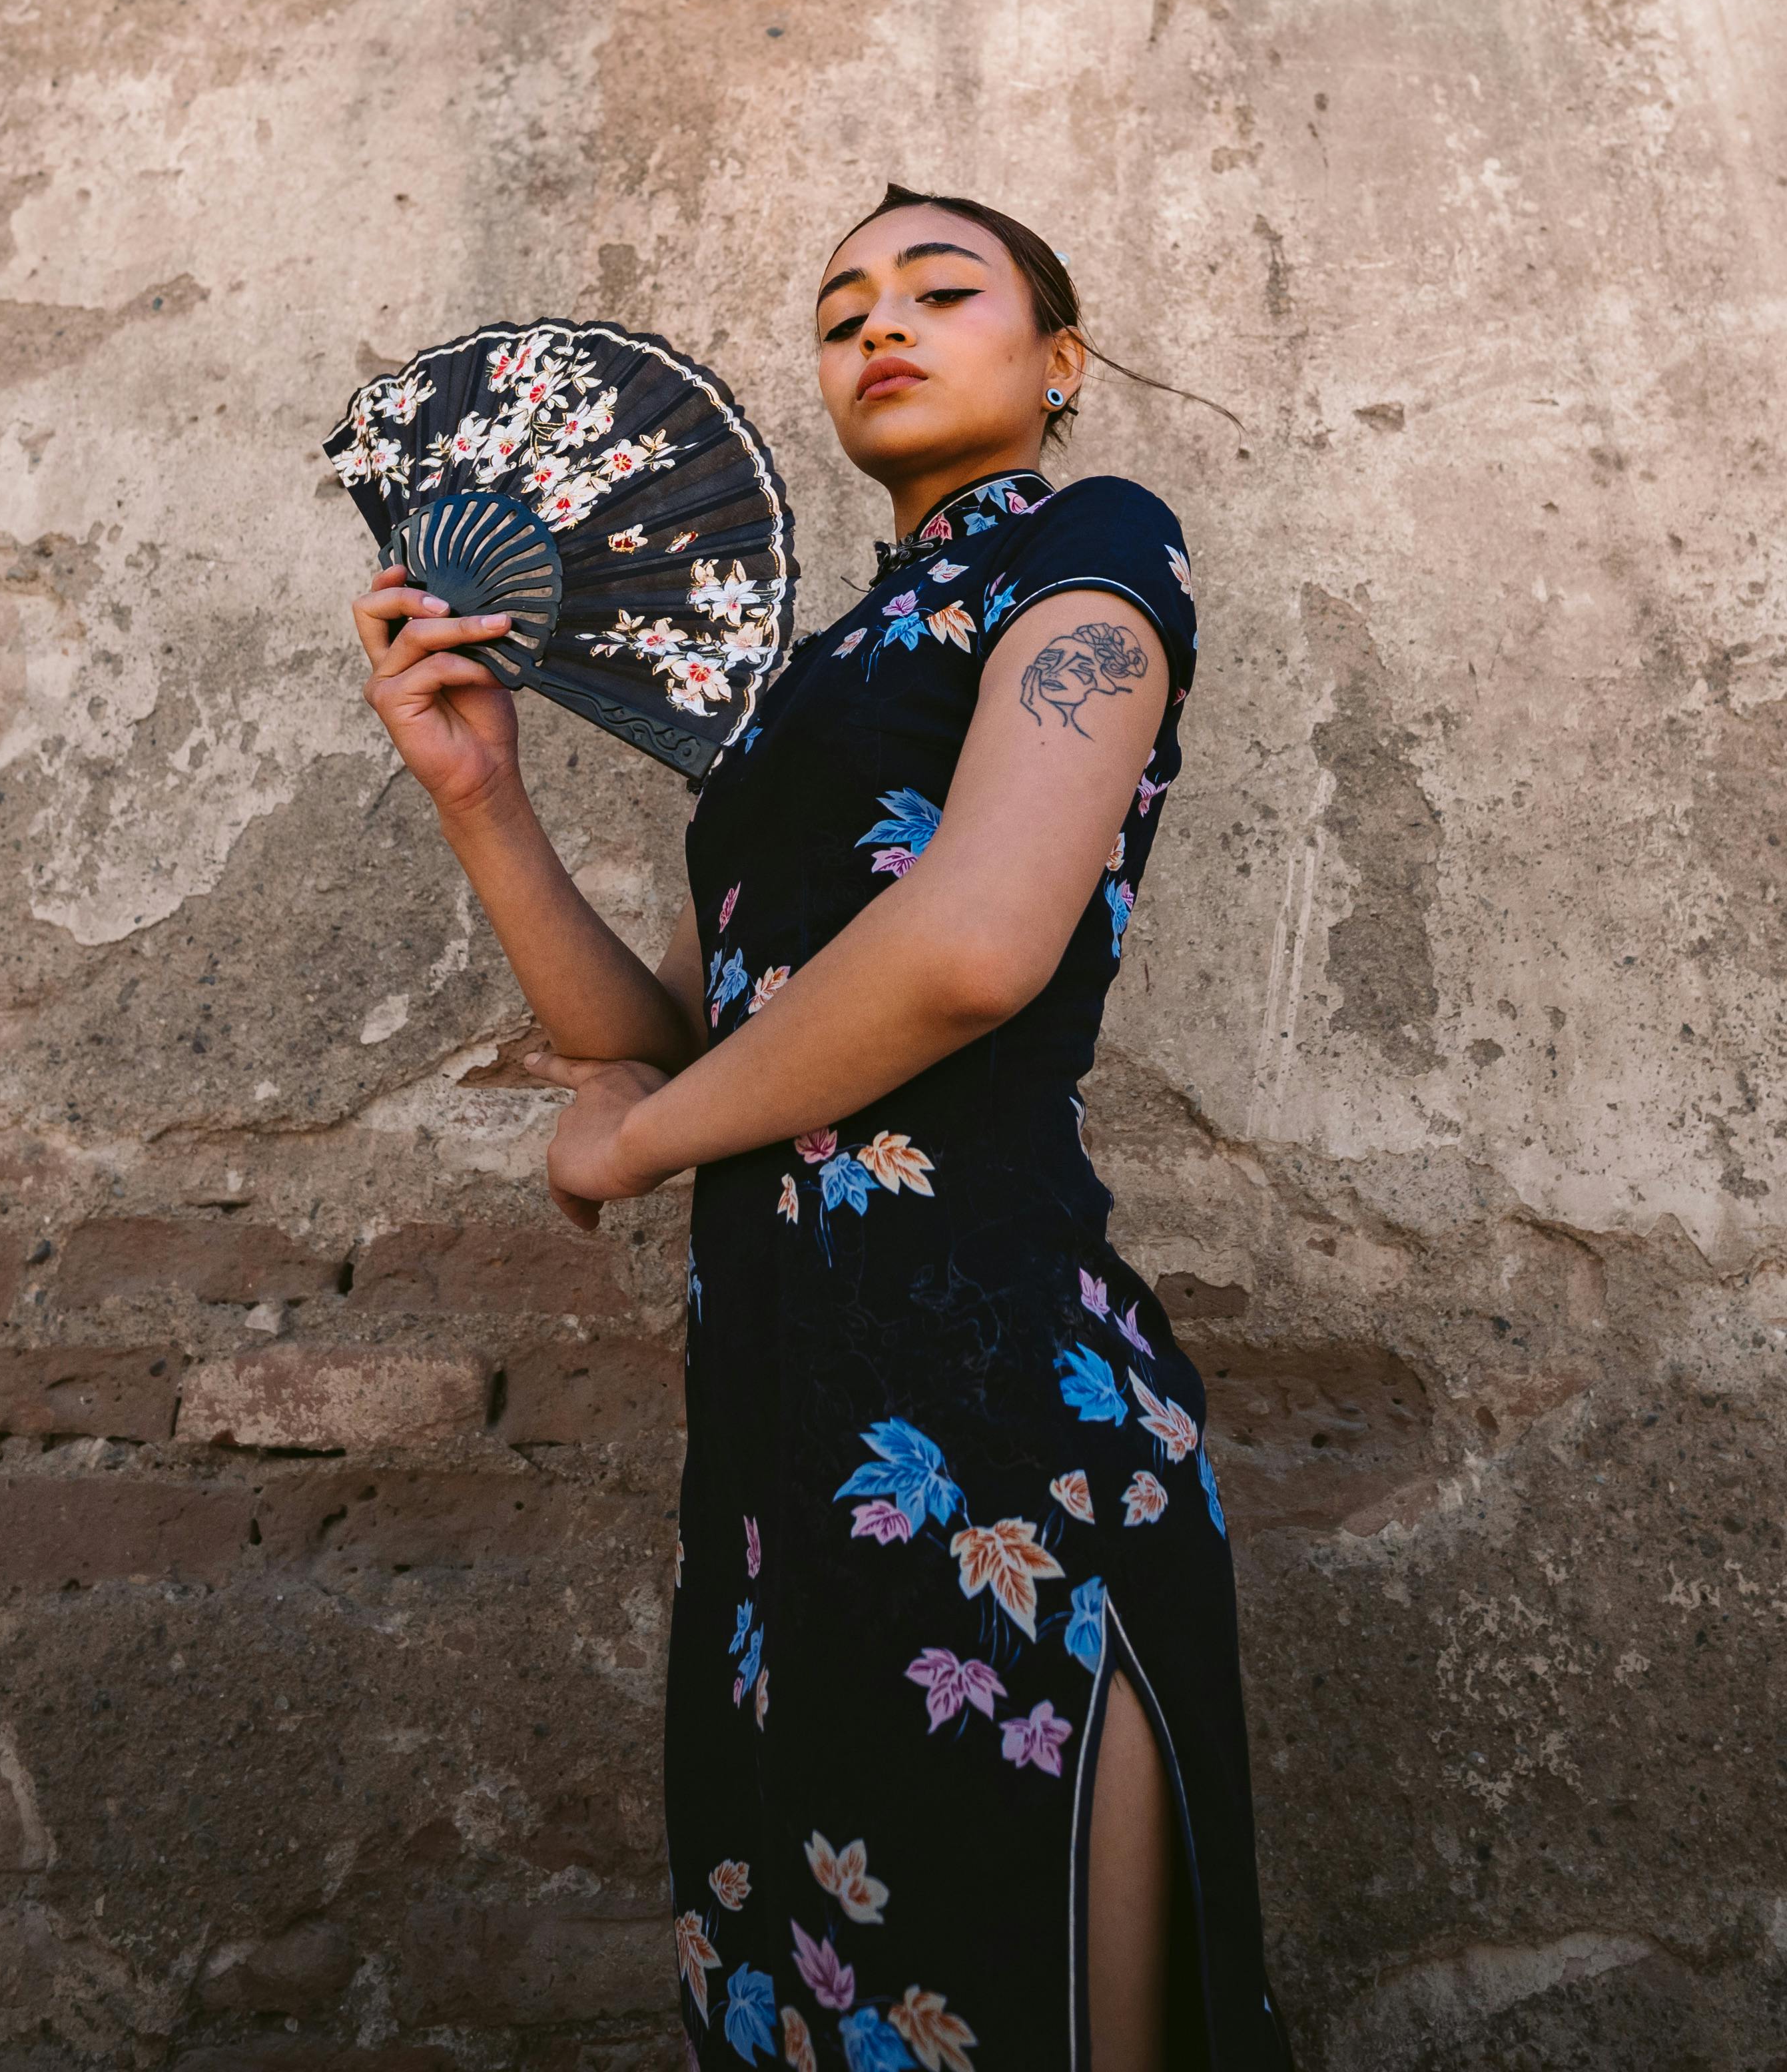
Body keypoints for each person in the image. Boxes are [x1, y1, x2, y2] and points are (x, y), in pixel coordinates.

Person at [350, 187, 1289, 2072]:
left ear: (1061, 362)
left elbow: (970, 947)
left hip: (990, 1392)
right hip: (782, 1426)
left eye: (943, 291)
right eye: (843, 304)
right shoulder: (813, 677)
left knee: (1007, 2013)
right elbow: (693, 1033)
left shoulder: (1097, 552)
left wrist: (629, 1144)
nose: (882, 322)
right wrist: (478, 797)